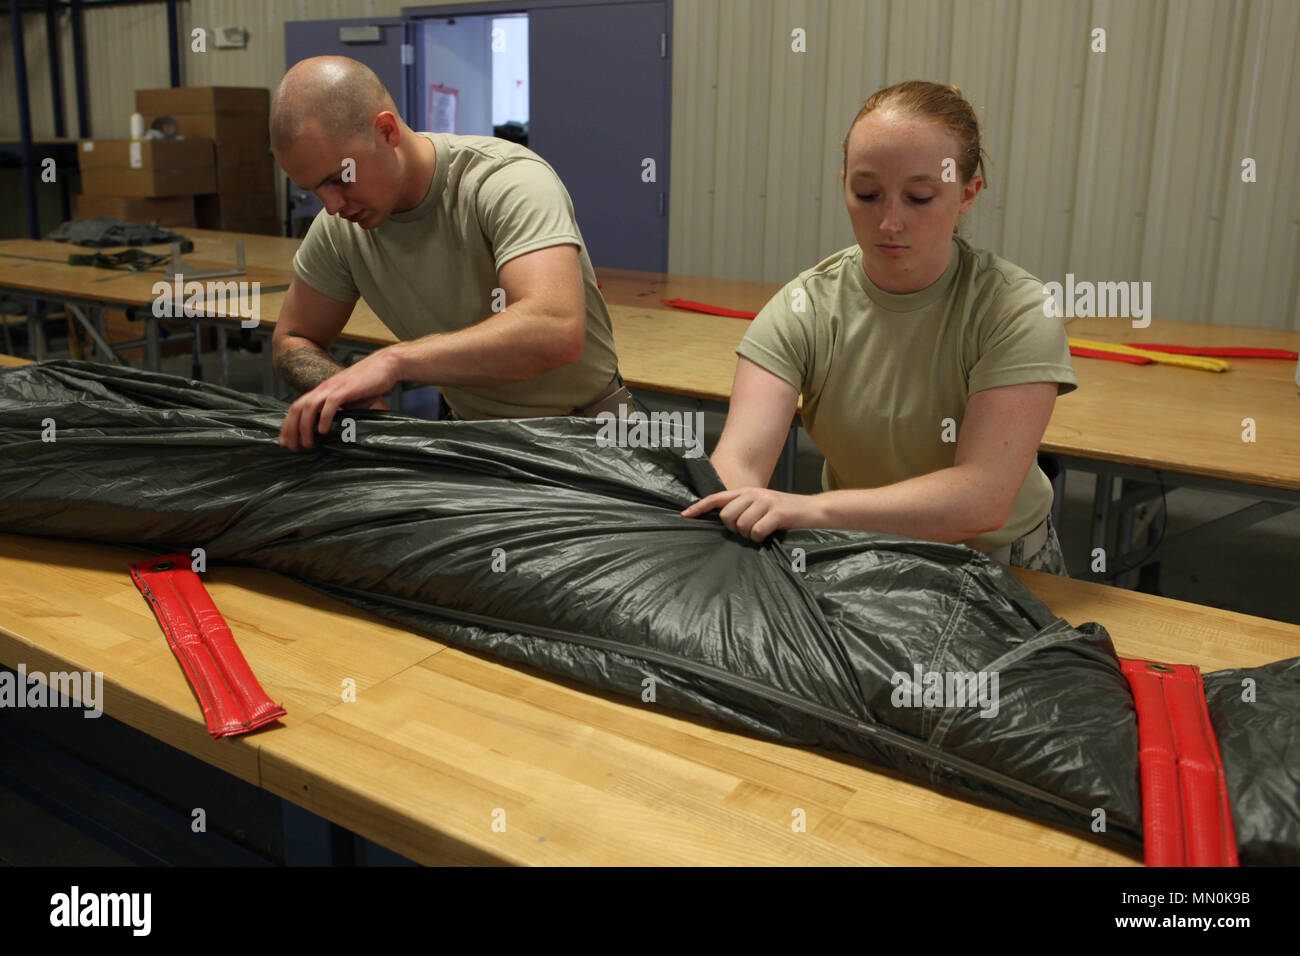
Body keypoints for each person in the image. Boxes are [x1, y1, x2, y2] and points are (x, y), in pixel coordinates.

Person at [682, 81, 1077, 575]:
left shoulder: (1014, 309)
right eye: (867, 194)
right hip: (855, 551)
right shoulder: (805, 307)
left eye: (919, 197)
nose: (889, 222)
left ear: (967, 193)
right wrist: (738, 504)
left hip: (997, 564)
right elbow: (739, 458)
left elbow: (983, 498)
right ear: (844, 181)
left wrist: (810, 511)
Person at [268, 56, 634, 449]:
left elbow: (554, 330)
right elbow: (294, 336)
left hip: (593, 437)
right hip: (475, 438)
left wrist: (393, 362)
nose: (331, 205)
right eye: (313, 190)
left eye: (340, 178)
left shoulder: (505, 181)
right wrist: (356, 398)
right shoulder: (340, 226)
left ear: (386, 130)